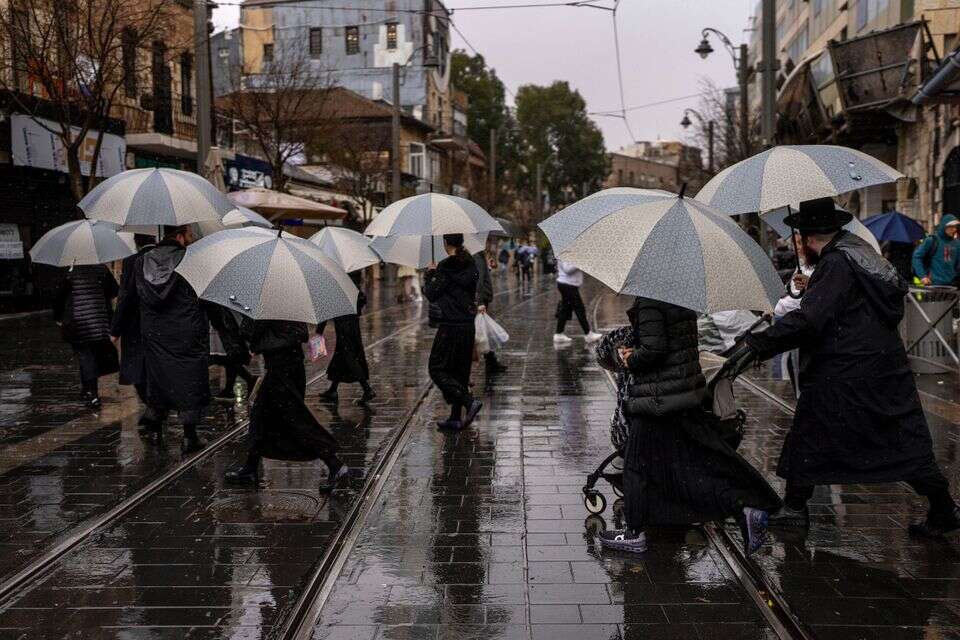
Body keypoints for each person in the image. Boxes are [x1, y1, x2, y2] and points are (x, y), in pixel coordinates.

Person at [727, 197, 960, 537]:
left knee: (809, 435)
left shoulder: (836, 264)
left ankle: (794, 509)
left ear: (806, 239)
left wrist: (759, 342)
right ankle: (942, 508)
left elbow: (810, 320)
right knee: (902, 443)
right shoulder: (859, 255)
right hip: (880, 370)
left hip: (844, 373)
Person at [596, 297, 780, 555]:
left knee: (637, 465)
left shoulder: (651, 302)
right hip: (679, 394)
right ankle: (744, 508)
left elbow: (654, 350)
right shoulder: (678, 300)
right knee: (687, 468)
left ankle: (633, 534)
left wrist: (629, 358)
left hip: (656, 398)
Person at [225, 319, 348, 493]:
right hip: (289, 364)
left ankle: (335, 464)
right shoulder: (289, 303)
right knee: (260, 415)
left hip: (280, 368)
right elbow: (297, 333)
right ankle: (250, 468)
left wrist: (246, 322)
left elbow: (250, 331)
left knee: (296, 420)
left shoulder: (269, 304)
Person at [133, 225, 210, 453]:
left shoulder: (141, 261)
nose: (191, 238)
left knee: (158, 379)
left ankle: (155, 426)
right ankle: (189, 435)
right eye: (189, 234)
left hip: (155, 332)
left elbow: (135, 295)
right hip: (186, 330)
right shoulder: (190, 258)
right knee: (189, 380)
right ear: (179, 235)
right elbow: (200, 294)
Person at [424, 233, 483, 430]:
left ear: (446, 243)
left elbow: (432, 294)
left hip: (450, 325)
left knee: (436, 368)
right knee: (460, 371)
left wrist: (430, 274)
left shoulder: (445, 266)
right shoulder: (471, 263)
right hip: (467, 324)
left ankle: (468, 401)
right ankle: (455, 417)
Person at [53, 263, 119, 409]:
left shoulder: (69, 270)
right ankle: (87, 390)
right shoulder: (101, 268)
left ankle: (92, 394)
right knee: (90, 356)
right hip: (99, 320)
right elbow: (114, 290)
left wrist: (58, 317)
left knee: (85, 355)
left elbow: (59, 296)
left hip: (77, 321)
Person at [319, 271, 376, 405]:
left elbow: (327, 307)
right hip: (351, 324)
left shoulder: (339, 279)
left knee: (348, 356)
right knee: (342, 355)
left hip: (344, 325)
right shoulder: (351, 280)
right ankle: (333, 390)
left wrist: (319, 331)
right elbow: (362, 299)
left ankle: (367, 389)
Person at [111, 237, 154, 403]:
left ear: (136, 241)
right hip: (159, 322)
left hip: (135, 323)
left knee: (137, 368)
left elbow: (125, 296)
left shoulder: (131, 261)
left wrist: (115, 330)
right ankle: (155, 405)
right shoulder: (162, 258)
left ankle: (150, 404)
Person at [206, 303, 256, 400]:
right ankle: (232, 387)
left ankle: (243, 382)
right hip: (225, 329)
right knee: (229, 359)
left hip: (223, 330)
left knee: (229, 359)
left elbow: (216, 317)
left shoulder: (217, 303)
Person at [474, 247, 507, 374]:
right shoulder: (477, 256)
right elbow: (479, 281)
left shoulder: (480, 256)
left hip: (483, 298)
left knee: (484, 330)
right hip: (481, 300)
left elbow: (481, 276)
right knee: (481, 332)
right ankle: (490, 362)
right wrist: (480, 302)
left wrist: (487, 267)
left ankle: (491, 361)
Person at [553, 260, 602, 345]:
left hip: (568, 284)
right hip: (568, 285)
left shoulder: (568, 253)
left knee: (565, 309)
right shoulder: (566, 254)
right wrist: (579, 262)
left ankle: (559, 333)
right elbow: (567, 269)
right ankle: (588, 334)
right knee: (579, 309)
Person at [912, 214, 960, 286]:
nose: (954, 229)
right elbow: (917, 257)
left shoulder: (957, 243)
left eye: (955, 227)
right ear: (944, 226)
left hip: (952, 285)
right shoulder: (932, 240)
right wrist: (923, 276)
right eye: (951, 227)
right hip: (933, 284)